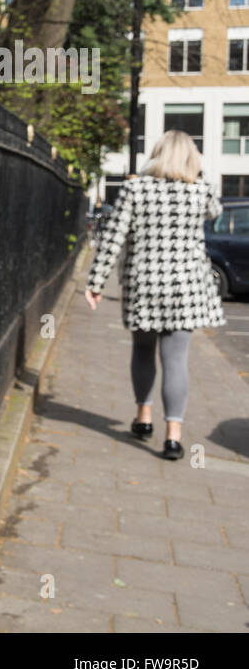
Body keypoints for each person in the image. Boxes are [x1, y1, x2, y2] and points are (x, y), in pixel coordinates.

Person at [84, 131, 224, 459]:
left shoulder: (135, 188)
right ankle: (173, 436)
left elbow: (113, 236)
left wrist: (96, 281)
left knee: (143, 351)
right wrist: (196, 174)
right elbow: (214, 211)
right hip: (185, 288)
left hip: (144, 284)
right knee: (176, 361)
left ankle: (143, 417)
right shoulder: (200, 190)